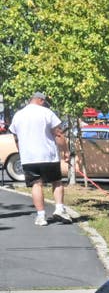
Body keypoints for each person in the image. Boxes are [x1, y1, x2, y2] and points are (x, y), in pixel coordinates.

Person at [9, 92, 71, 226]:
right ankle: (59, 208)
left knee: (36, 184)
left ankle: (41, 216)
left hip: (29, 157)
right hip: (48, 155)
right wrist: (65, 151)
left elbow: (16, 138)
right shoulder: (47, 113)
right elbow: (58, 134)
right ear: (40, 100)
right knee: (57, 181)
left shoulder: (18, 115)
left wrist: (22, 152)